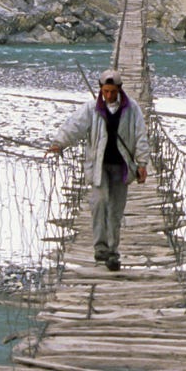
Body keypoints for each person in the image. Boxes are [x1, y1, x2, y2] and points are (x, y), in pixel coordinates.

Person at [47, 69, 147, 271]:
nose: (108, 95)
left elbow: (140, 135)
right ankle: (100, 247)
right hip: (99, 166)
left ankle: (113, 251)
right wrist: (59, 143)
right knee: (99, 203)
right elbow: (74, 126)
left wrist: (142, 163)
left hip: (122, 167)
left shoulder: (132, 109)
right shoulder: (92, 108)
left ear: (119, 90)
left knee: (116, 210)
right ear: (100, 89)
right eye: (105, 91)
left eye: (112, 92)